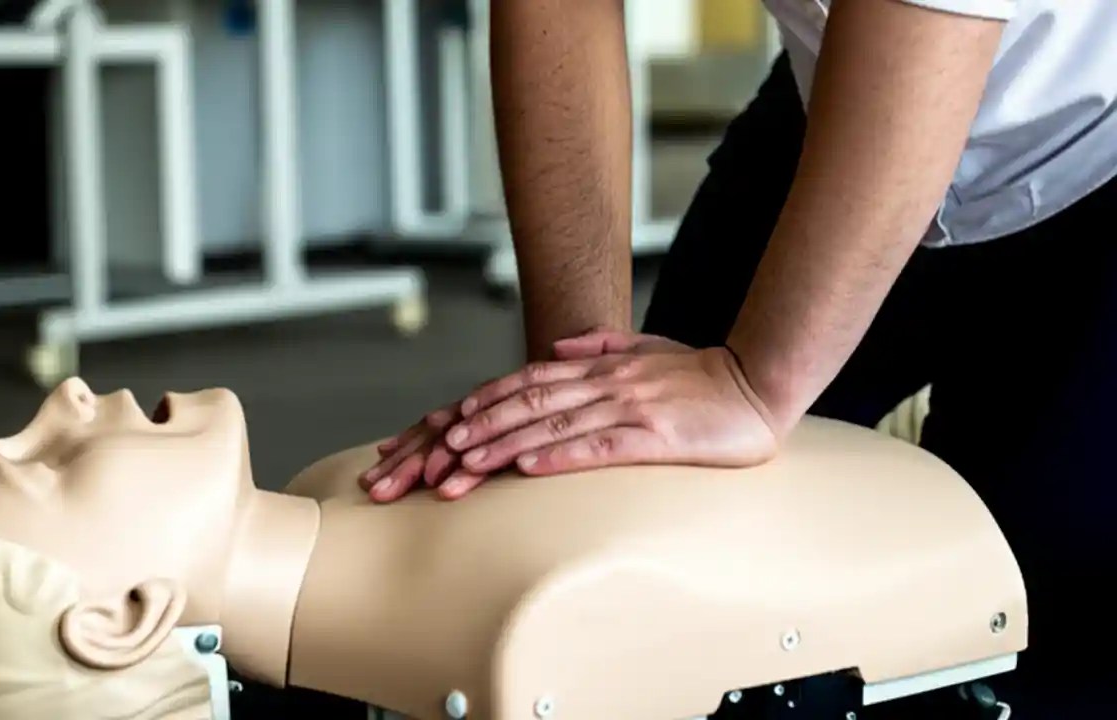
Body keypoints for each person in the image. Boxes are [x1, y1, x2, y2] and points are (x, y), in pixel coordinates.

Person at [364, 0, 1117, 712]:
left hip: (1091, 140)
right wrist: (576, 406)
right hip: (847, 82)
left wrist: (754, 385)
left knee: (1047, 612)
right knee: (662, 543)